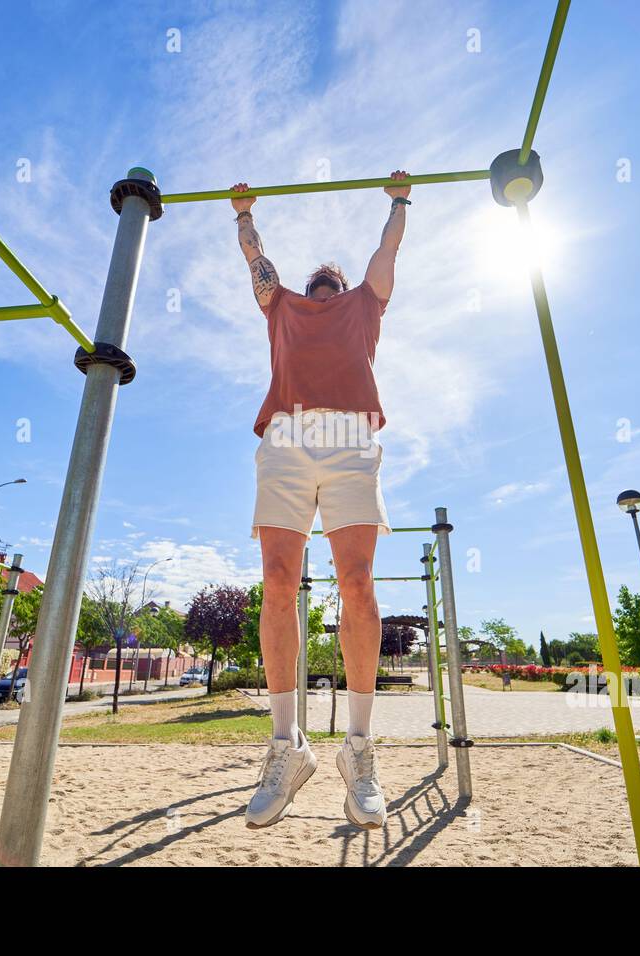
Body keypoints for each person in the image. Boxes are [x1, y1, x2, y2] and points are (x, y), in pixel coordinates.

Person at [233, 171, 411, 830]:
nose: (325, 283)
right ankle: (287, 747)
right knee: (277, 581)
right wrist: (244, 217)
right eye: (319, 280)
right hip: (285, 437)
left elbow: (386, 254)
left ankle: (358, 750)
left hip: (348, 440)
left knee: (357, 583)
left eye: (332, 278)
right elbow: (256, 259)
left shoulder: (365, 304)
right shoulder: (281, 306)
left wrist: (398, 203)